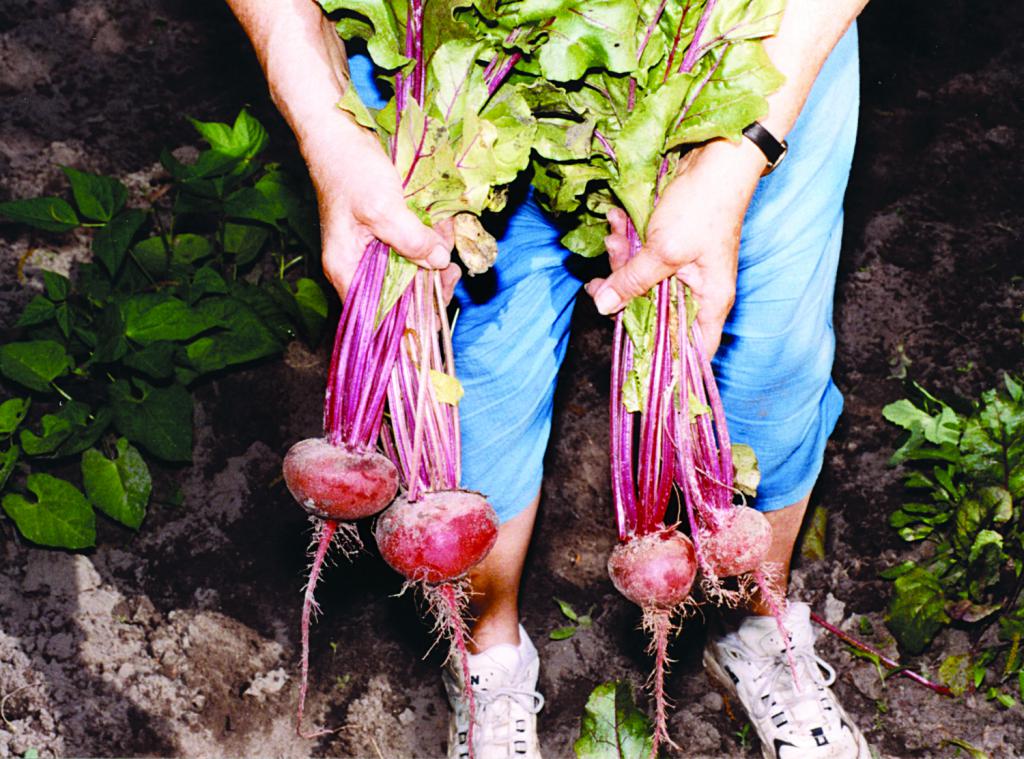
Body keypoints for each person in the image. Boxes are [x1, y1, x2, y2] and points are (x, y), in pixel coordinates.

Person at [227, 0, 872, 756]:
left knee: (767, 353)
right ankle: (487, 663)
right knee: (482, 380)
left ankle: (757, 628)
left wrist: (746, 146)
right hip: (448, 43)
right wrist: (321, 123)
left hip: (757, 38)